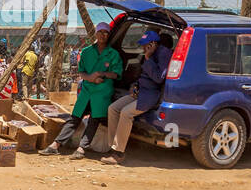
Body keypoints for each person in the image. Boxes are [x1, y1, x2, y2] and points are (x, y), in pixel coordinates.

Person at [41, 22, 121, 158]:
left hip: (102, 92)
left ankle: (81, 149)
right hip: (87, 91)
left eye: (106, 33)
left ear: (108, 35)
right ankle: (56, 145)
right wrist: (91, 78)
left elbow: (116, 74)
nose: (103, 35)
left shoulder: (113, 54)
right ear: (96, 34)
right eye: (100, 32)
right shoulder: (86, 52)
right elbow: (82, 73)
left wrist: (102, 74)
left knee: (94, 120)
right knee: (74, 118)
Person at [102, 30, 171, 165]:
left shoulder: (163, 54)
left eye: (145, 45)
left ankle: (119, 153)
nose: (143, 47)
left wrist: (148, 58)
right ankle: (113, 147)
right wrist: (134, 85)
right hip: (140, 91)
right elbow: (141, 76)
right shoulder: (148, 54)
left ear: (152, 44)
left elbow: (158, 78)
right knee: (113, 108)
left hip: (150, 95)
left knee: (126, 113)